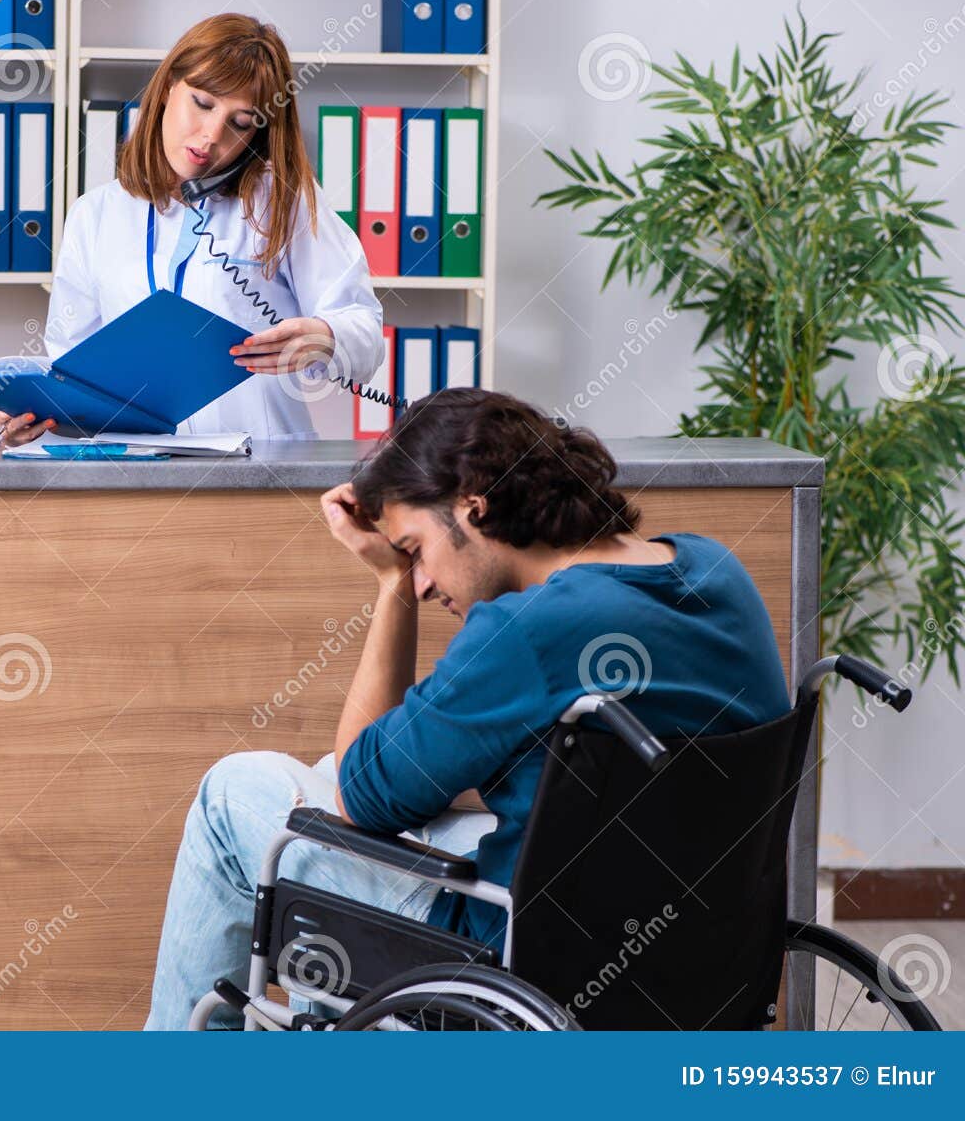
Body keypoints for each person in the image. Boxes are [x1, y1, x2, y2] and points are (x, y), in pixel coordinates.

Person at [143, 389, 793, 1029]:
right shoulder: (714, 571)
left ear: (473, 509)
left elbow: (357, 791)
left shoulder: (530, 631)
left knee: (236, 791)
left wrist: (389, 587)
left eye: (415, 550)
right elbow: (614, 773)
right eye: (406, 565)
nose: (423, 582)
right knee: (336, 776)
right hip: (693, 954)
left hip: (513, 964)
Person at [0, 13, 384, 446]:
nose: (211, 134)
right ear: (166, 89)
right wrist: (43, 412)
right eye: (202, 103)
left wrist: (327, 336)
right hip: (135, 470)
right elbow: (72, 365)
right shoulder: (96, 214)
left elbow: (365, 332)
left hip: (263, 467)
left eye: (240, 123)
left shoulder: (284, 199)